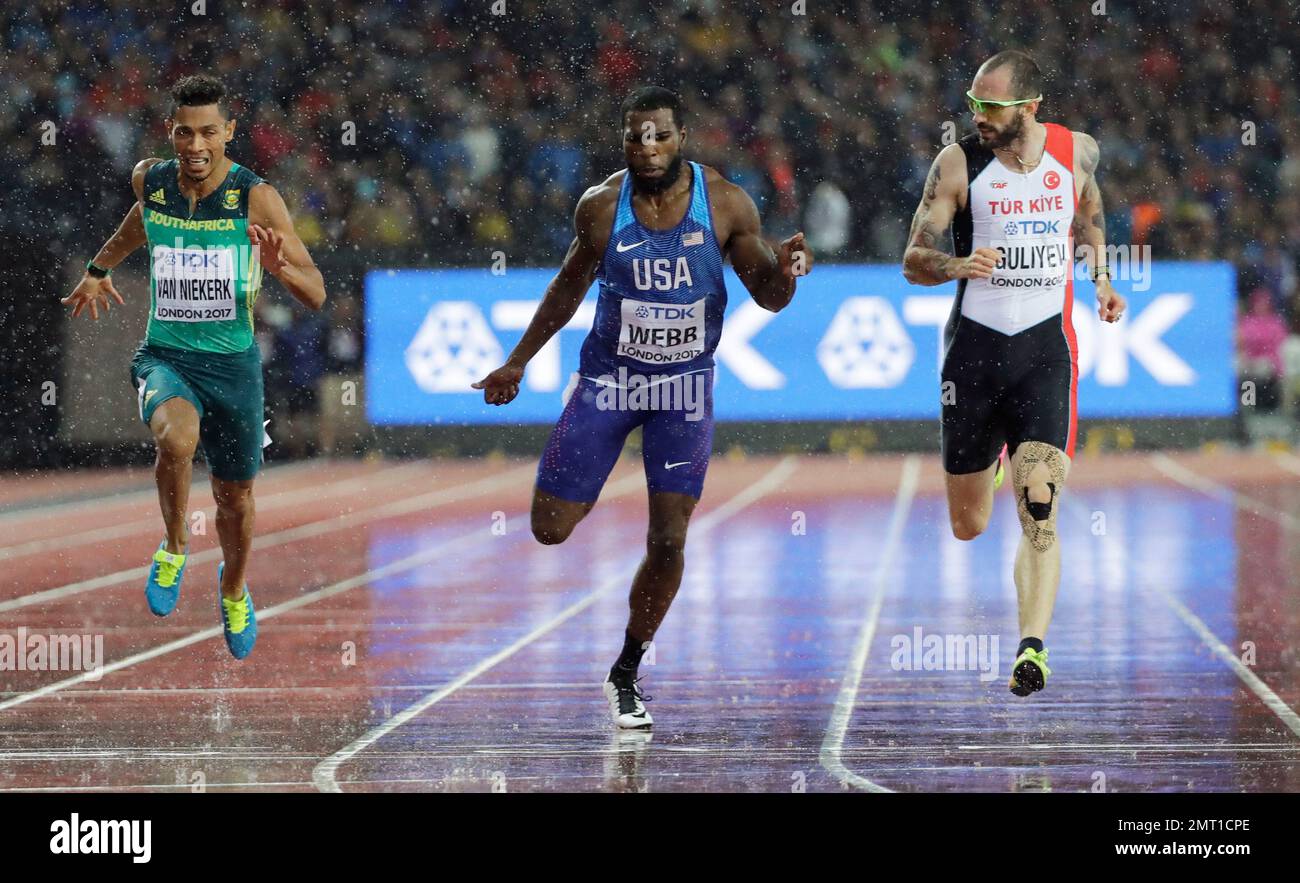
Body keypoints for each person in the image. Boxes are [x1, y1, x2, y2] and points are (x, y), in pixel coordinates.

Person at [474, 86, 812, 727]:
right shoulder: (602, 207)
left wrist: (788, 271)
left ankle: (626, 672)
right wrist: (518, 360)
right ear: (624, 142)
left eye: (660, 136)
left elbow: (769, 296)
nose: (648, 148)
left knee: (669, 537)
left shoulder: (726, 204)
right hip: (610, 381)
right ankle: (590, 476)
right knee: (550, 528)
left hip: (683, 390)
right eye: (636, 137)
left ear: (682, 137)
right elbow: (567, 287)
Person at [61, 75, 326, 659]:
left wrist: (279, 268)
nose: (196, 145)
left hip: (233, 368)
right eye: (186, 132)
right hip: (167, 356)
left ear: (229, 132)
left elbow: (316, 293)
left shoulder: (256, 197)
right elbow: (137, 225)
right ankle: (175, 546)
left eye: (209, 132)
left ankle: (233, 588)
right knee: (176, 440)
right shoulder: (150, 180)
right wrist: (99, 269)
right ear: (171, 132)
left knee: (235, 499)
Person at [902, 51, 1126, 696]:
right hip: (973, 356)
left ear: (1030, 106)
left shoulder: (1077, 151)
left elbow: (1089, 213)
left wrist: (1102, 277)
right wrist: (957, 265)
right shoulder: (957, 165)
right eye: (974, 104)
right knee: (968, 525)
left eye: (992, 106)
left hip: (1045, 354)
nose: (978, 116)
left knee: (1040, 507)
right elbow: (913, 259)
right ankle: (994, 462)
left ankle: (1032, 647)